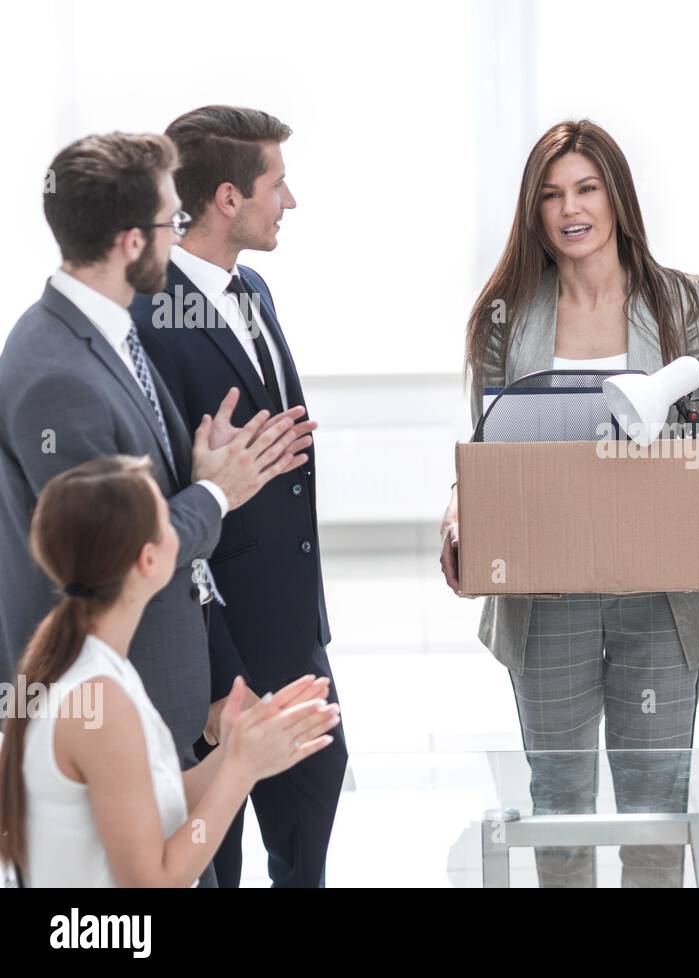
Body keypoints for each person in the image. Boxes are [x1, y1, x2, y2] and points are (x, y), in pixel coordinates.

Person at [0, 133, 314, 885]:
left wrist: (197, 468)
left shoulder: (111, 339)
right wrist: (215, 492)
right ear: (131, 240)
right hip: (116, 710)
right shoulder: (56, 376)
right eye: (174, 223)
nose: (182, 238)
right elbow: (108, 557)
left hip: (153, 715)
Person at [439, 119, 699, 887]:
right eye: (550, 195)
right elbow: (485, 446)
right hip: (547, 593)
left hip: (659, 592)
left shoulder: (682, 303)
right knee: (560, 814)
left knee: (655, 817)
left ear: (616, 197)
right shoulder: (506, 314)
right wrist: (460, 509)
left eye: (585, 189)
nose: (570, 209)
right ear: (533, 211)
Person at [131, 106, 344, 889]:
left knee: (313, 792)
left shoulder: (252, 287)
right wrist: (219, 676)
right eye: (276, 185)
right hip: (215, 637)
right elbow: (169, 498)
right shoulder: (151, 318)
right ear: (227, 198)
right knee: (213, 843)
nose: (289, 202)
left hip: (290, 625)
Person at [0, 455, 338, 887]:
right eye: (170, 522)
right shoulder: (101, 701)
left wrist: (238, 748)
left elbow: (158, 801)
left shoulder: (95, 666)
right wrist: (240, 772)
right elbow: (153, 881)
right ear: (148, 560)